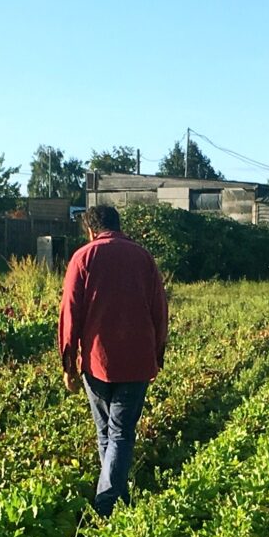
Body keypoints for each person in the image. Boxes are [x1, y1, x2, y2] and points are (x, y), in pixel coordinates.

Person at [57, 203, 167, 516]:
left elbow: (70, 313)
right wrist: (157, 355)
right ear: (118, 226)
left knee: (107, 433)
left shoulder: (83, 257)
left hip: (97, 361)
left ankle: (105, 504)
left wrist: (68, 364)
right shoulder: (143, 258)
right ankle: (115, 498)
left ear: (91, 230)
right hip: (136, 360)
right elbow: (159, 311)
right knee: (119, 433)